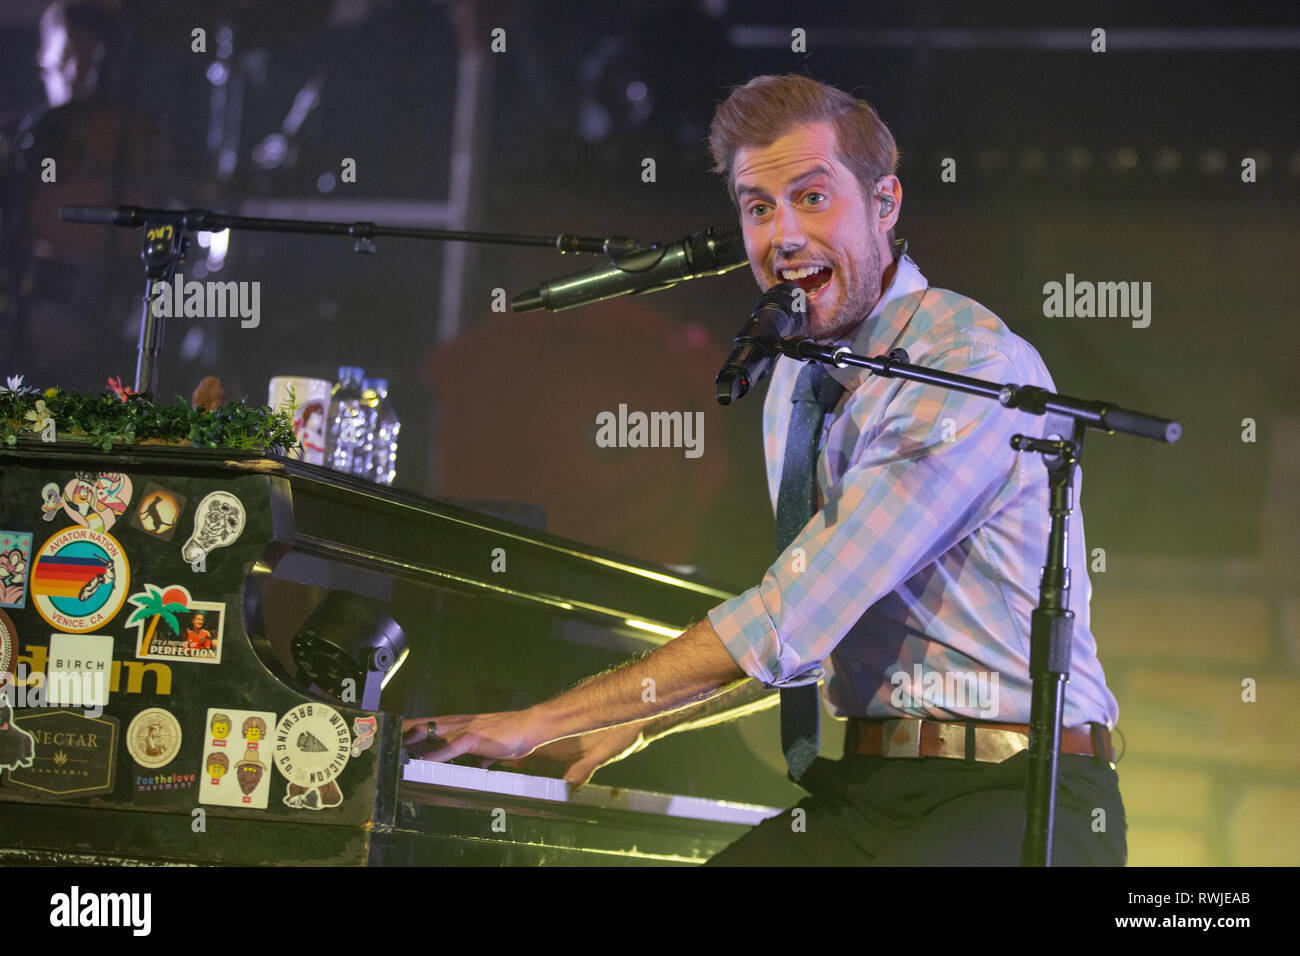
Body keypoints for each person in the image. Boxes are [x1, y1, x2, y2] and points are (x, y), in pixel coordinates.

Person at [404, 74, 1126, 866]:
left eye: (812, 198)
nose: (781, 235)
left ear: (885, 202)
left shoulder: (965, 362)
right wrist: (639, 714)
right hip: (873, 788)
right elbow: (810, 631)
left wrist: (545, 717)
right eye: (758, 206)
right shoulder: (798, 379)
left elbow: (795, 613)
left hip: (1018, 794)